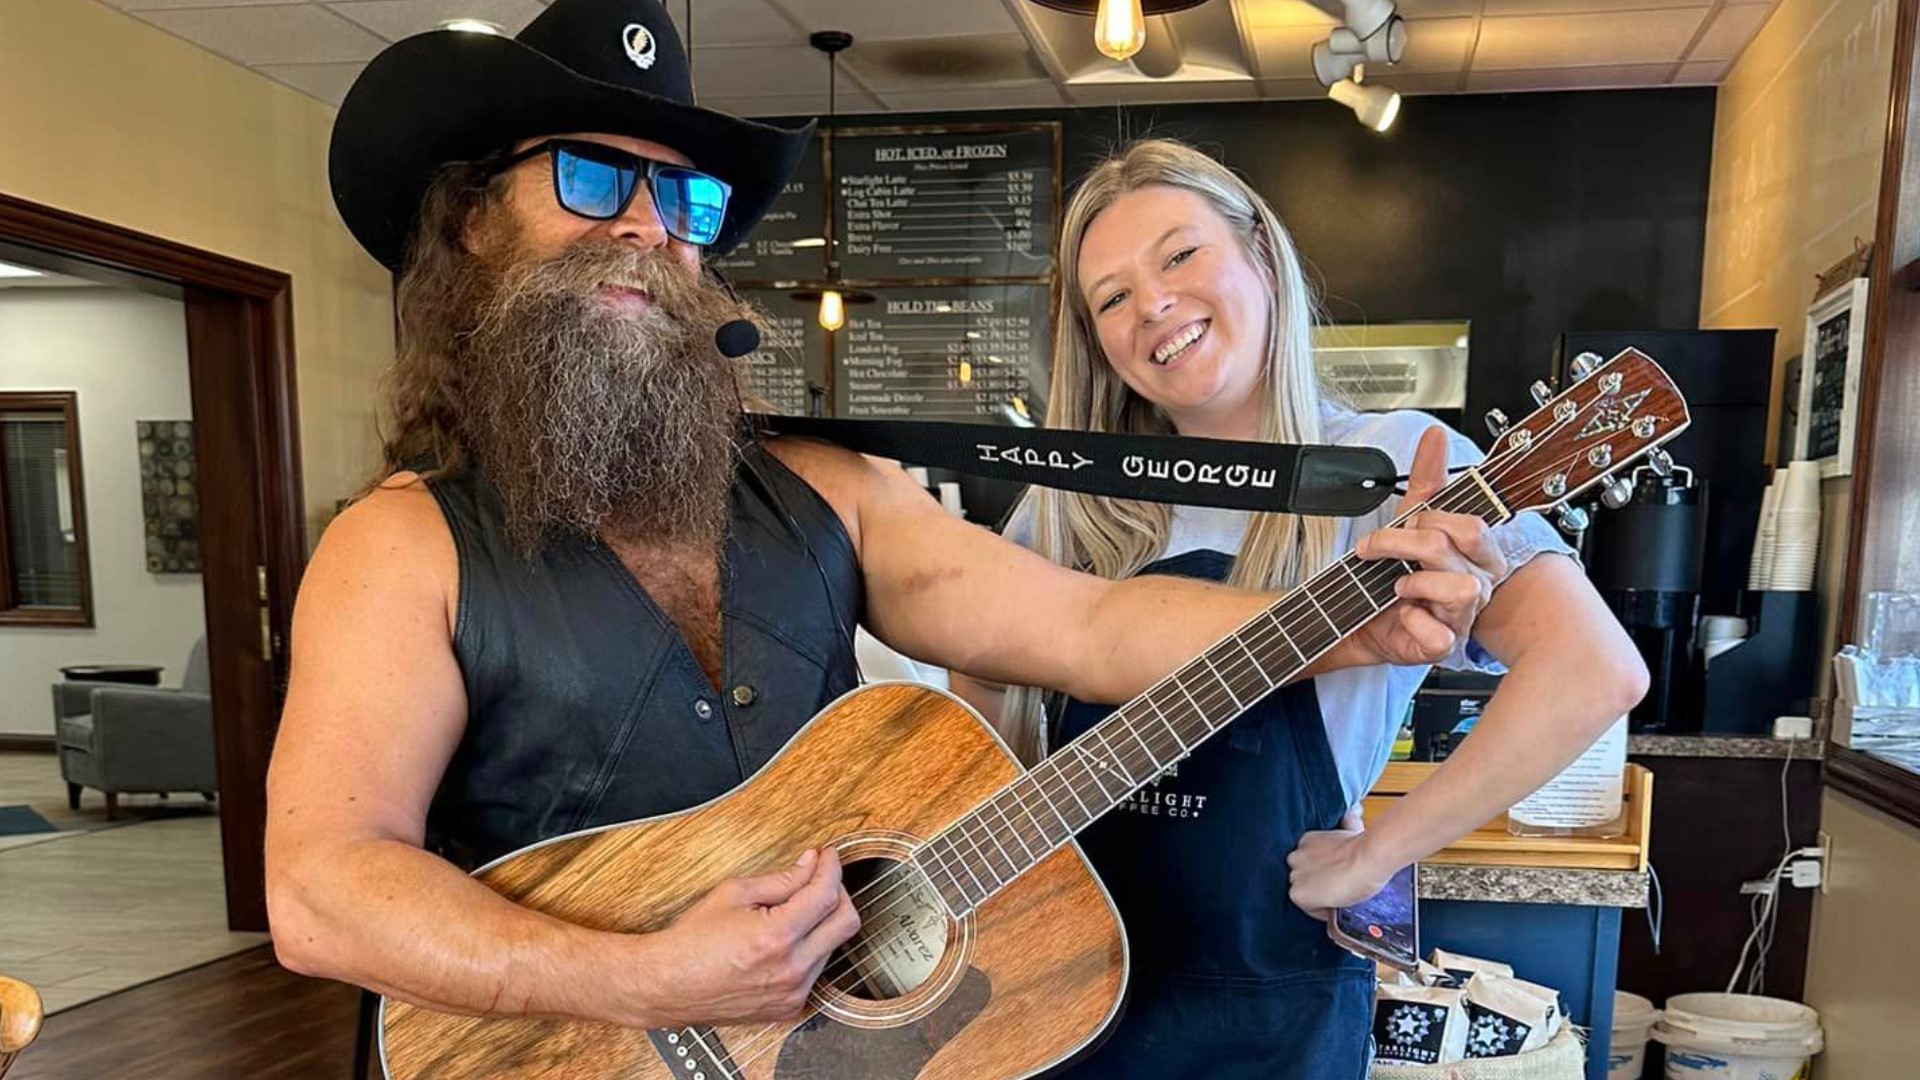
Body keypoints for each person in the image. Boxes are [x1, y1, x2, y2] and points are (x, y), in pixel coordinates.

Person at [265, 0, 1606, 1047]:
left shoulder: (824, 489)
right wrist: (640, 978)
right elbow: (321, 888)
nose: (650, 231)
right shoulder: (400, 549)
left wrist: (1350, 625)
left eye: (685, 199)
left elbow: (1082, 622)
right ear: (472, 223)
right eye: (592, 176)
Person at [949, 139, 1646, 1079]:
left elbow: (1596, 670)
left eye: (1179, 255)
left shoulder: (1401, 465)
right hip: (1061, 985)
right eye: (1110, 297)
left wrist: (1382, 855)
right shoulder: (1075, 498)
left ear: (1261, 255)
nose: (1152, 304)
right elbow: (984, 692)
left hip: (1275, 1003)